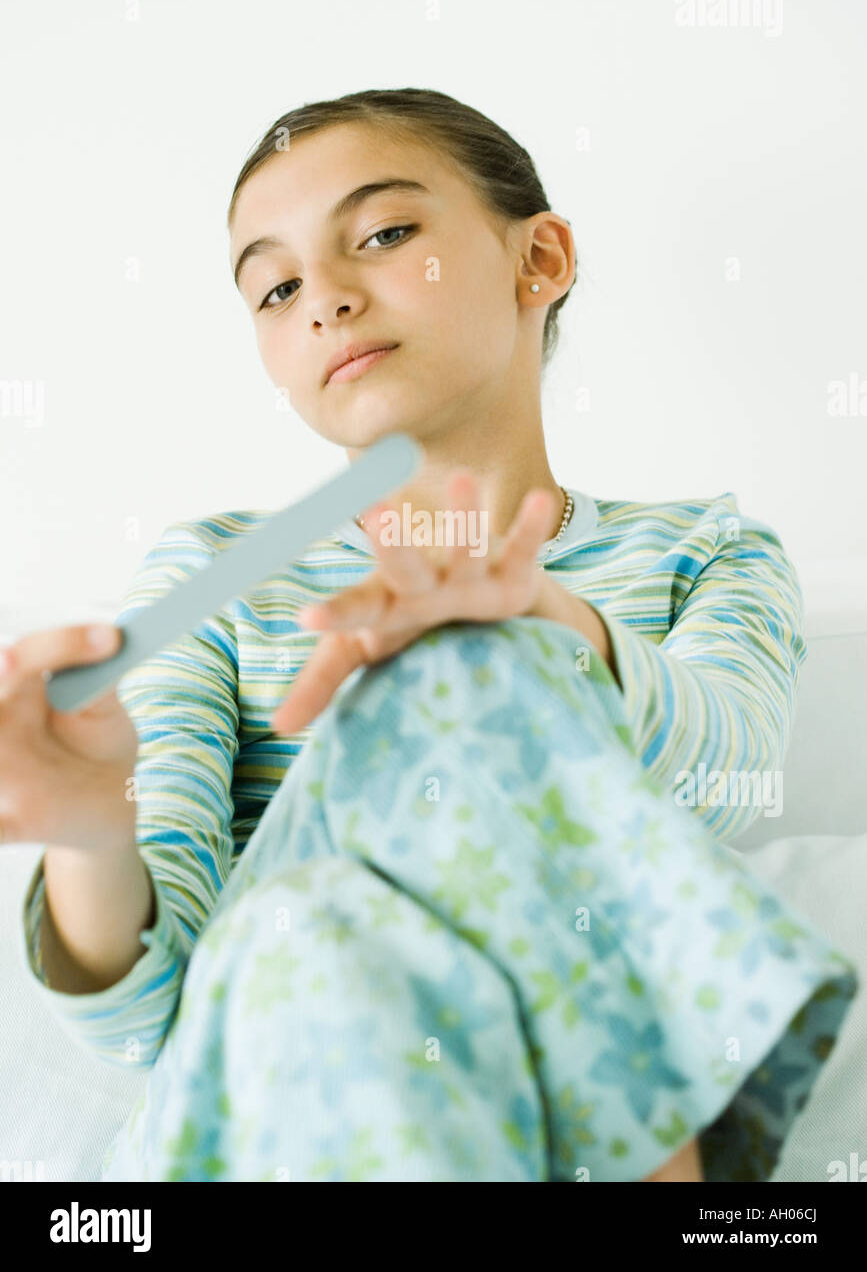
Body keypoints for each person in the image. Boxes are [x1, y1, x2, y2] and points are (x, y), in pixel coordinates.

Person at [5, 88, 856, 1183]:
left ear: (538, 258)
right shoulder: (216, 577)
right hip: (270, 1110)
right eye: (275, 287)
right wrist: (92, 833)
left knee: (475, 667)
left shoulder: (708, 552)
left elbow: (733, 769)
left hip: (555, 1100)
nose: (326, 301)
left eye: (385, 234)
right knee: (313, 927)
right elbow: (151, 1026)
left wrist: (541, 623)